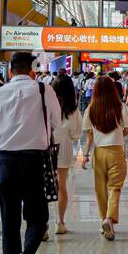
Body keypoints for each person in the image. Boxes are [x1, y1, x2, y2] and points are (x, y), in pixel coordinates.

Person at [0, 51, 62, 254]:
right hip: (33, 160)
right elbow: (57, 123)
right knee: (38, 216)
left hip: (5, 161)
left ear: (10, 71)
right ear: (32, 70)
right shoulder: (44, 90)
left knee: (9, 218)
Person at [80, 70, 128, 240]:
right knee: (114, 187)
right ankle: (109, 219)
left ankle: (104, 221)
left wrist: (85, 155)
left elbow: (89, 135)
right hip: (116, 150)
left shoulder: (90, 109)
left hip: (99, 152)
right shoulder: (120, 106)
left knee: (100, 189)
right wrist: (117, 135)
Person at [52, 75, 82, 235]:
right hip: (65, 147)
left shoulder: (48, 105)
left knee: (45, 185)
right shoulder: (74, 110)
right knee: (62, 185)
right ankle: (60, 222)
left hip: (47, 145)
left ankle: (42, 225)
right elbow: (77, 133)